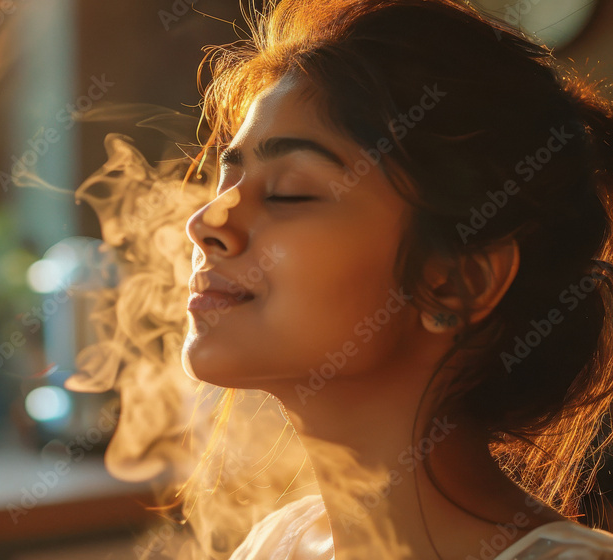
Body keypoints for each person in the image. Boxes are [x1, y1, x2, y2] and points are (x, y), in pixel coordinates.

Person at [181, 0, 613, 558]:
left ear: (458, 282)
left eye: (290, 190)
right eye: (228, 179)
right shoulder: (276, 545)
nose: (204, 223)